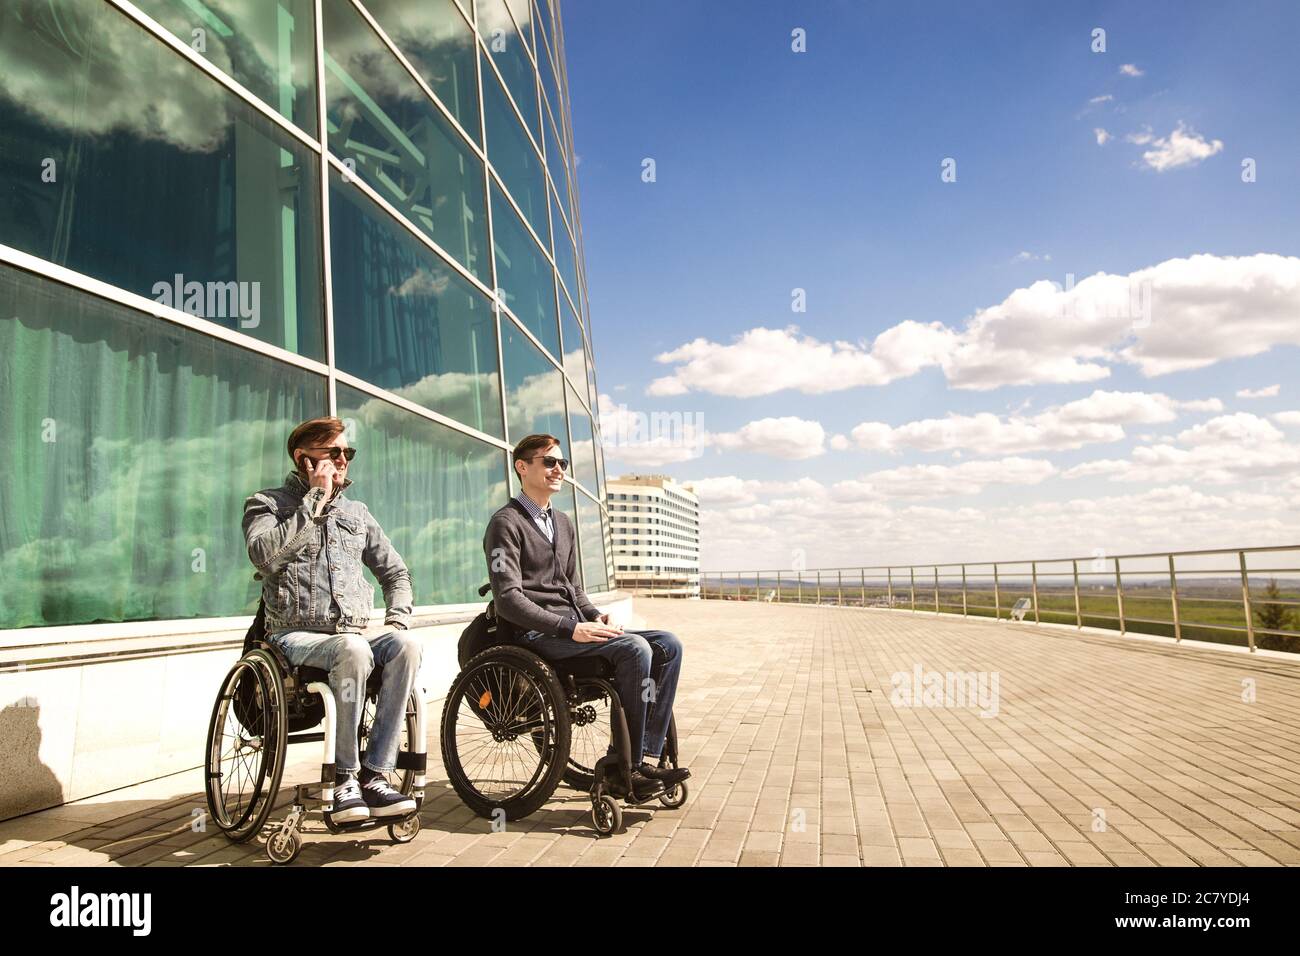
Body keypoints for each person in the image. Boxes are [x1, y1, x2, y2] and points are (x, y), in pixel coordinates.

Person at [483, 433, 691, 800]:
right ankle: (622, 767)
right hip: (537, 635)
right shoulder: (506, 523)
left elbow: (574, 589)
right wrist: (571, 628)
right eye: (549, 462)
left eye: (562, 463)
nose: (559, 469)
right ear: (522, 466)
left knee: (668, 645)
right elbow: (508, 600)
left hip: (574, 627)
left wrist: (598, 615)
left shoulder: (562, 522)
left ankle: (647, 757)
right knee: (635, 650)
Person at [242, 416, 421, 823]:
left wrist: (397, 619)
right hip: (292, 636)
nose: (343, 460)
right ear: (304, 459)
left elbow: (396, 573)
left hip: (351, 636)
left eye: (348, 453)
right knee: (353, 649)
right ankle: (344, 781)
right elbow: (265, 557)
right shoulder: (267, 504)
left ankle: (375, 775)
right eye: (334, 452)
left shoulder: (357, 512)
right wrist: (314, 503)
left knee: (406, 646)